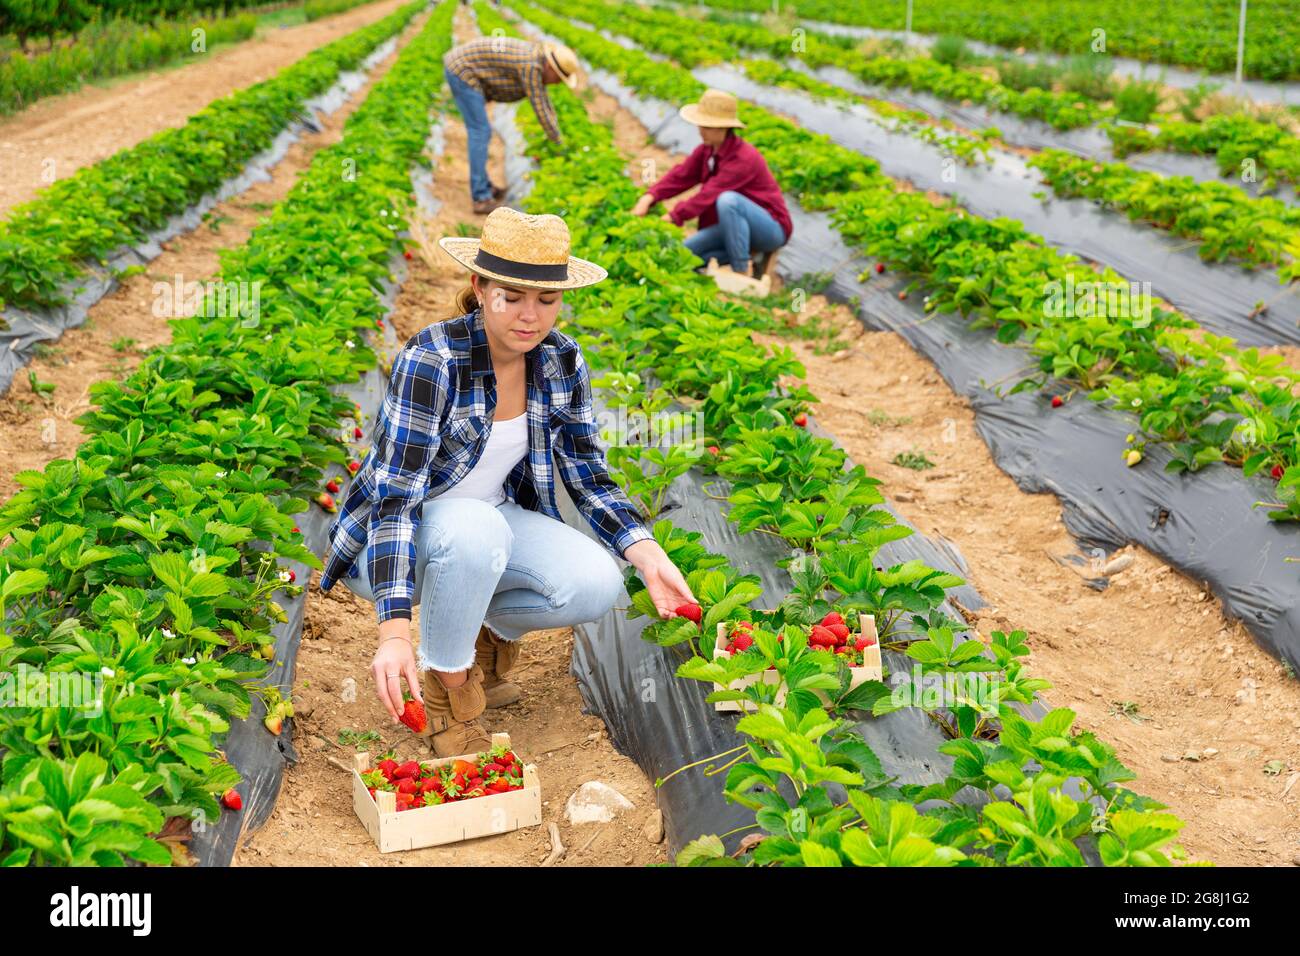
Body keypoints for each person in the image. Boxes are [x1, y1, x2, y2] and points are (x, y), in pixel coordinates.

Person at [318, 207, 697, 758]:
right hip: (399, 541)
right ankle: (447, 686)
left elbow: (587, 471)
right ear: (479, 286)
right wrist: (394, 632)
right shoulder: (434, 359)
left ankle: (481, 633)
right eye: (511, 296)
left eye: (546, 300)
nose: (530, 316)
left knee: (595, 582)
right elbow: (396, 499)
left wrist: (646, 553)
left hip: (489, 528)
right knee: (475, 528)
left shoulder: (562, 360)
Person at [631, 88, 792, 283]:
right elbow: (681, 176)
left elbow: (707, 195)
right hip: (732, 226)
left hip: (771, 229)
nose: (701, 130)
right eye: (701, 125)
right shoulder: (707, 151)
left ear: (725, 128)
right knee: (684, 254)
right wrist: (649, 197)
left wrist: (672, 217)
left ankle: (741, 271)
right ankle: (750, 254)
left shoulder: (743, 158)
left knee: (728, 201)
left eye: (708, 126)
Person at [443, 36, 582, 214]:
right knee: (480, 131)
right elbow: (540, 107)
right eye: (558, 77)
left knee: (482, 131)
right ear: (550, 67)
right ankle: (481, 198)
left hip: (466, 67)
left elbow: (545, 102)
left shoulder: (535, 60)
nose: (557, 83)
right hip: (462, 70)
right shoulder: (531, 66)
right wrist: (558, 142)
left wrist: (556, 132)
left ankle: (485, 187)